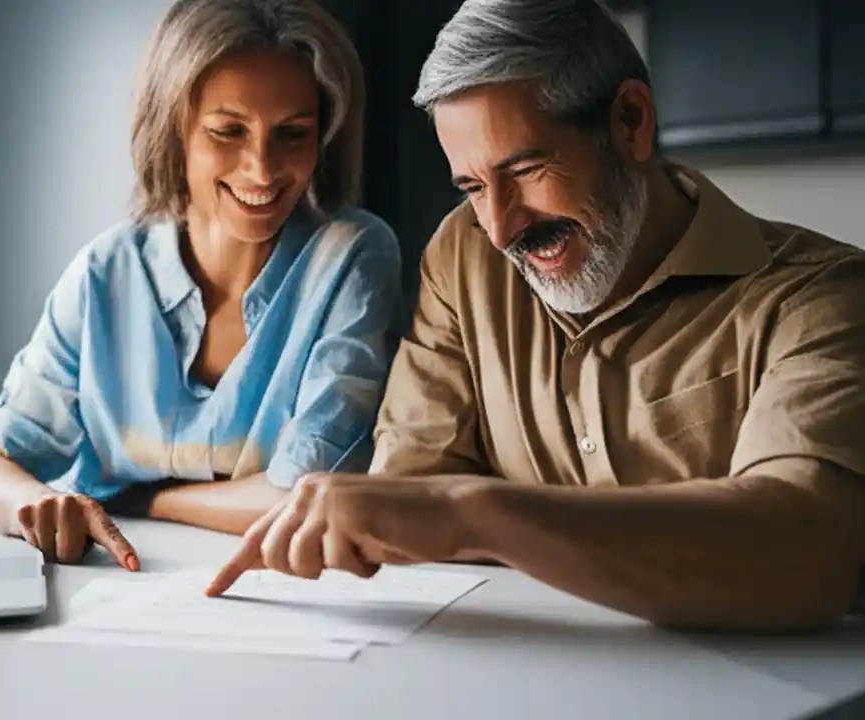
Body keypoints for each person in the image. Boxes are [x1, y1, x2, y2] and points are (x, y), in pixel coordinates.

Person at [209, 0, 865, 630]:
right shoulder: (465, 257)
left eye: (525, 168)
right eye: (471, 187)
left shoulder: (824, 296)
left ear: (632, 122)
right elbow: (409, 497)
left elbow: (807, 549)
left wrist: (475, 512)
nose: (499, 229)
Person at [0, 0, 400, 571]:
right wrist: (42, 504)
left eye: (293, 134)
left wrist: (144, 498)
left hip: (286, 592)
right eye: (228, 131)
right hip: (113, 585)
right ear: (174, 131)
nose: (262, 170)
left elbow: (308, 496)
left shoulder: (353, 257)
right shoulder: (104, 272)